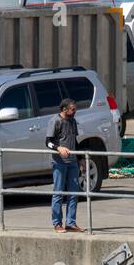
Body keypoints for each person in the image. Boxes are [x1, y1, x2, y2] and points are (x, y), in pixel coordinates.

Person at [46, 97, 84, 233]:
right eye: (72, 110)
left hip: (72, 161)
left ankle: (71, 222)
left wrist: (80, 159)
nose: (75, 112)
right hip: (59, 162)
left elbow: (75, 141)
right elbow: (48, 142)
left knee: (74, 192)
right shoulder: (55, 121)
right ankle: (57, 223)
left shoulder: (73, 121)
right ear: (64, 109)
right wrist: (58, 148)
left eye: (75, 110)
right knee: (58, 192)